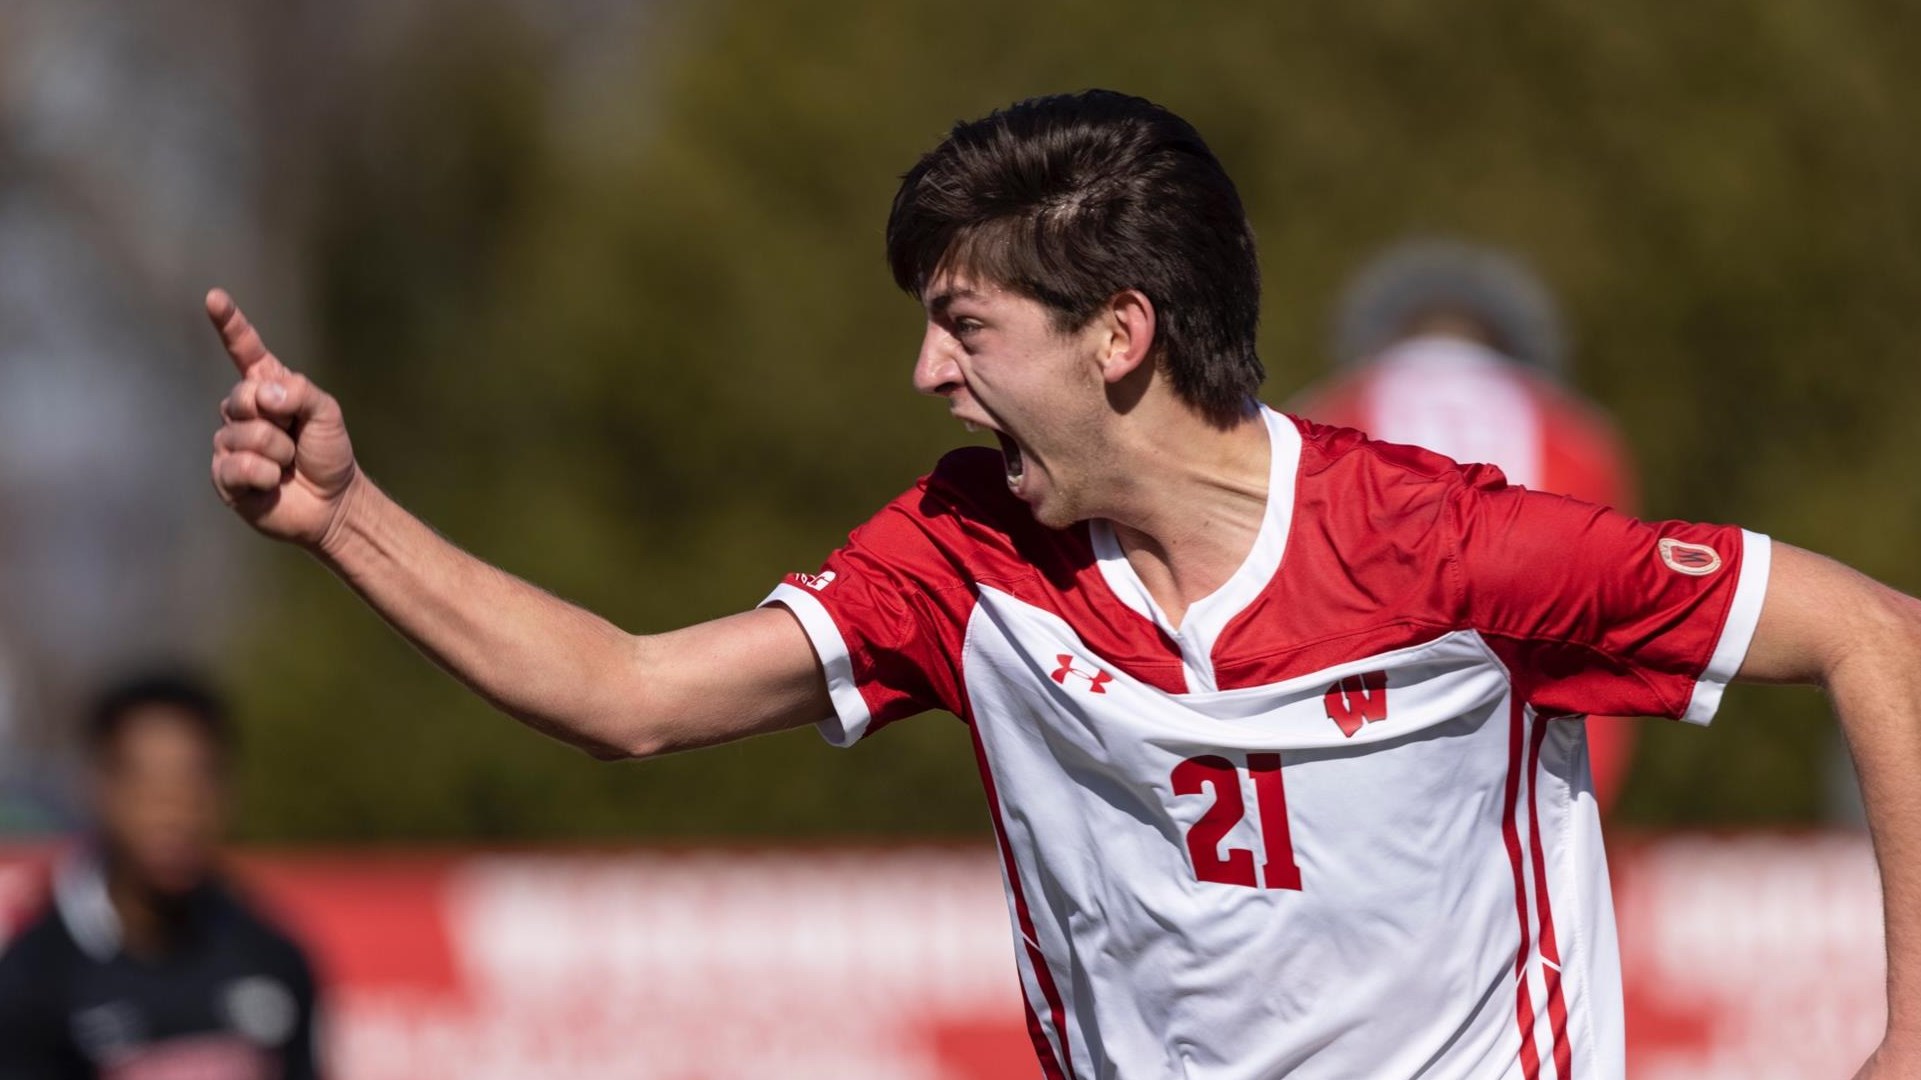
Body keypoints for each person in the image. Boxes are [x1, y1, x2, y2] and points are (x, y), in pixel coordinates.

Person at [202, 90, 1921, 1079]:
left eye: (965, 328)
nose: (929, 376)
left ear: (1119, 337)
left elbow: (1878, 636)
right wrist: (348, 520)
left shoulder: (1446, 545)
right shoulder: (963, 556)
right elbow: (627, 698)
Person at [1291, 239, 1642, 811]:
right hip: (1530, 766)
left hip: (1361, 756)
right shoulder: (1577, 434)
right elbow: (1609, 634)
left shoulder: (1327, 413)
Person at [0, 671, 322, 1079]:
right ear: (100, 789)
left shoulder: (273, 957)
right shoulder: (35, 977)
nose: (174, 812)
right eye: (148, 786)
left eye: (192, 782)